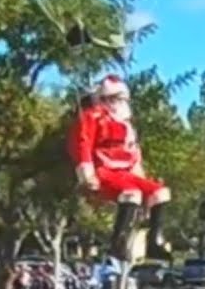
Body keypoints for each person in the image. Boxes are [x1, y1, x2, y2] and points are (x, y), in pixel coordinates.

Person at [69, 74, 172, 263]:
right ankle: (118, 242)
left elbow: (133, 153)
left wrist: (141, 180)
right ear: (107, 98)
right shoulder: (92, 117)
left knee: (160, 192)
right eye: (118, 99)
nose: (122, 103)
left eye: (124, 99)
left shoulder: (126, 125)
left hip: (126, 172)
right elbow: (82, 144)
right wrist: (87, 174)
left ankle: (154, 242)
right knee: (130, 193)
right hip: (104, 170)